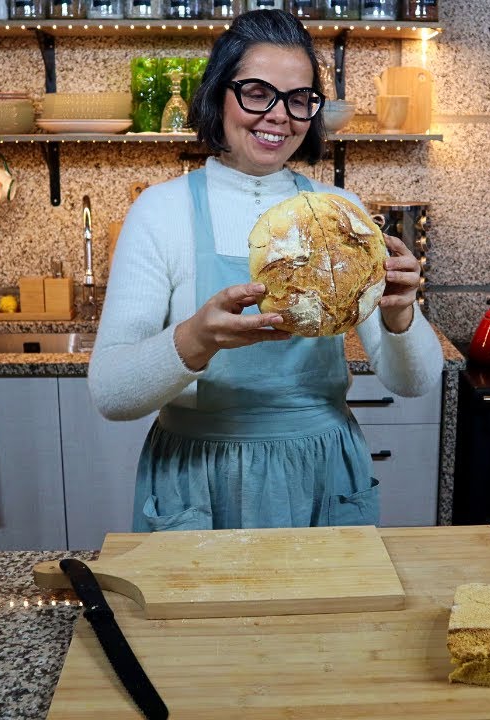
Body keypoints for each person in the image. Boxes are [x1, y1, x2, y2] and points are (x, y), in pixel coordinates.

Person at [88, 9, 443, 532]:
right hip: (199, 477)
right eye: (257, 93)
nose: (279, 115)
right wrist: (196, 339)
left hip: (323, 470)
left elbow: (415, 383)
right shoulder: (161, 211)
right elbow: (110, 394)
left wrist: (399, 315)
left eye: (299, 99)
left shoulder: (340, 212)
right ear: (218, 95)